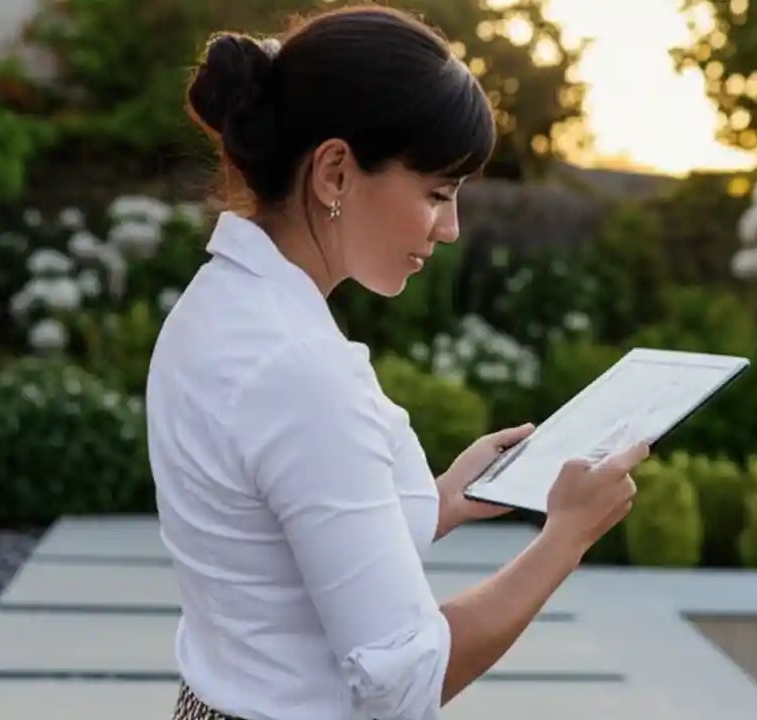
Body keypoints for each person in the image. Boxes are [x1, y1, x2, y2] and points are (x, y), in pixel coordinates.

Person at [146, 6, 648, 719]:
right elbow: (403, 682)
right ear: (335, 172)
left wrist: (444, 500)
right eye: (437, 194)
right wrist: (567, 537)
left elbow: (271, 551)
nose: (452, 228)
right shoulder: (299, 368)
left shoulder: (216, 306)